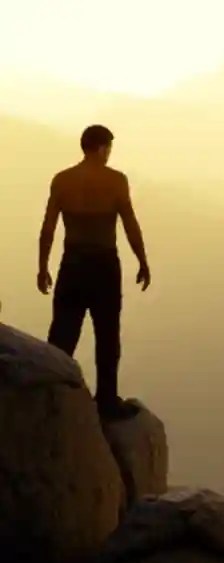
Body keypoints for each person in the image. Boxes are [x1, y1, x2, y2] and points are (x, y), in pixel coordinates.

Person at [38, 124, 151, 420]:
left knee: (62, 333)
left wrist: (42, 267)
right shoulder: (115, 181)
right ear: (102, 147)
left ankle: (49, 399)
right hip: (103, 265)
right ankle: (107, 403)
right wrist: (142, 260)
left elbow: (48, 227)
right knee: (107, 336)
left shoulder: (63, 180)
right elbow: (129, 223)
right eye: (109, 147)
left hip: (72, 263)